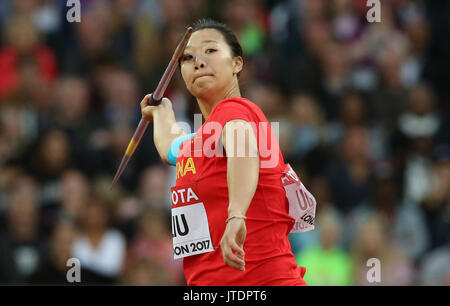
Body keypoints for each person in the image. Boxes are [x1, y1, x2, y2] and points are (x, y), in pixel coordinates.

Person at [139, 18, 312, 286]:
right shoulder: (203, 140)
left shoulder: (235, 112)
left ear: (237, 64)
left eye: (210, 50)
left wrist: (237, 214)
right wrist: (162, 114)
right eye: (187, 57)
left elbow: (242, 147)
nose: (198, 61)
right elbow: (171, 150)